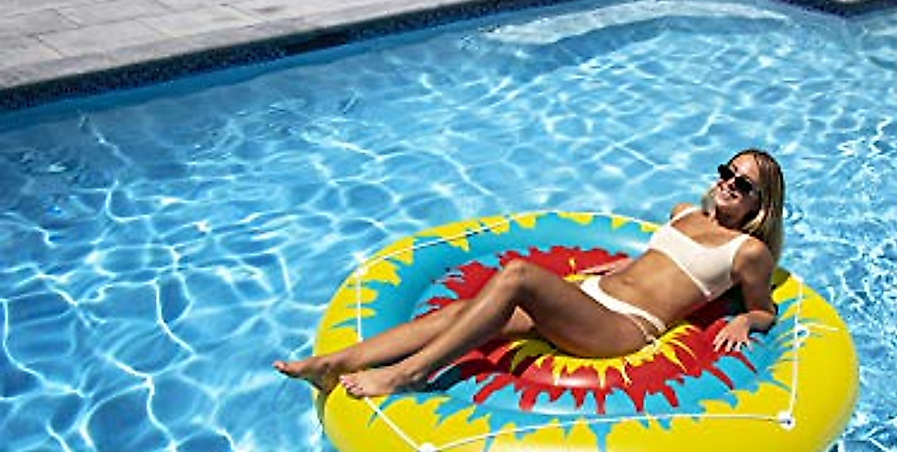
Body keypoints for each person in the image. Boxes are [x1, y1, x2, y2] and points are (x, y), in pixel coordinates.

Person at [275, 149, 786, 399]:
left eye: (743, 184)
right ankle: (336, 362)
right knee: (464, 311)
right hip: (591, 295)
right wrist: (626, 266)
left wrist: (748, 320)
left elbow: (763, 307)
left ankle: (409, 373)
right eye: (726, 172)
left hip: (623, 327)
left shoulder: (748, 251)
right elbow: (664, 264)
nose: (729, 184)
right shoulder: (682, 212)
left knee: (518, 275)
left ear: (760, 204)